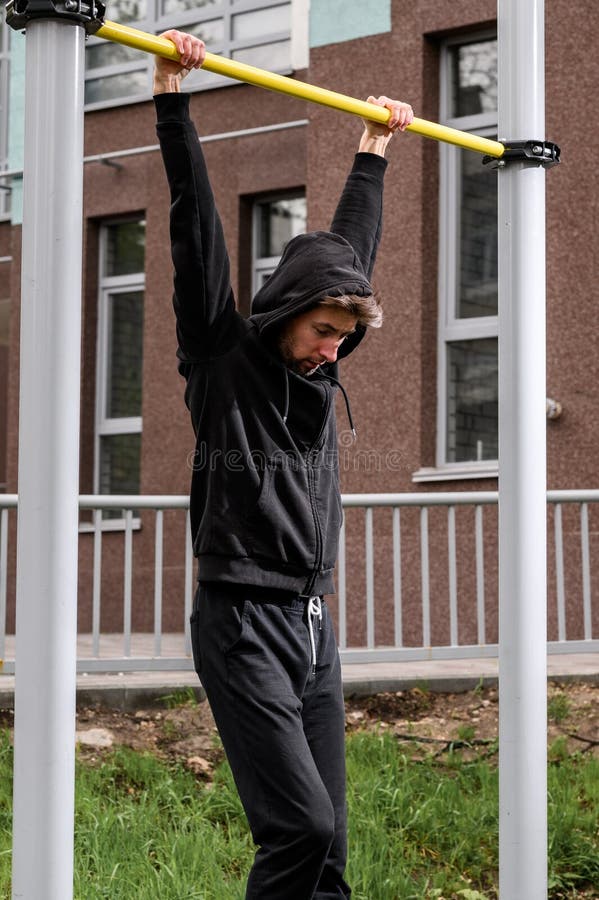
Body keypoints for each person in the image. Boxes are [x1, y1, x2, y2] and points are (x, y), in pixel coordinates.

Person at [153, 30, 413, 900]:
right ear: (289, 312)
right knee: (296, 826)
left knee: (329, 846)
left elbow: (352, 253)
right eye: (324, 331)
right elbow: (194, 231)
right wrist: (170, 99)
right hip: (241, 620)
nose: (333, 351)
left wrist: (372, 152)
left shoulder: (320, 366)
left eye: (345, 337)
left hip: (310, 622)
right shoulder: (224, 358)